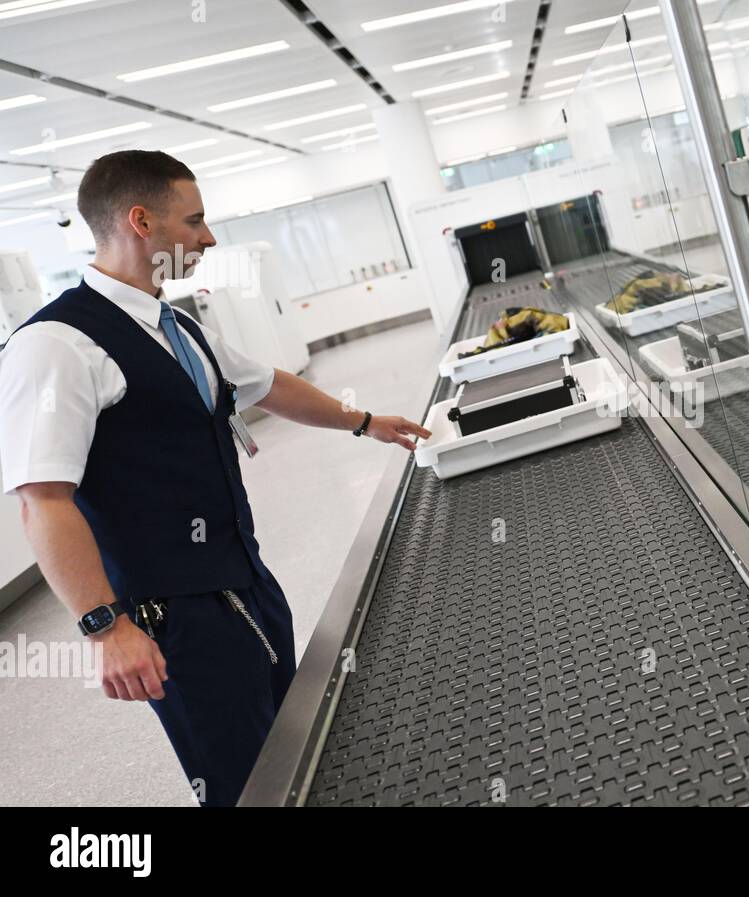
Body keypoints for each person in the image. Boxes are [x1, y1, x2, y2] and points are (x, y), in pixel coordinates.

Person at [0, 150, 432, 807]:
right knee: (242, 782)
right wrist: (106, 626)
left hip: (246, 582)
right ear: (141, 222)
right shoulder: (57, 344)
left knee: (297, 748)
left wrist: (364, 419)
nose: (209, 237)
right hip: (175, 618)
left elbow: (268, 383)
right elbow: (43, 498)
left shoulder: (180, 328)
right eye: (195, 220)